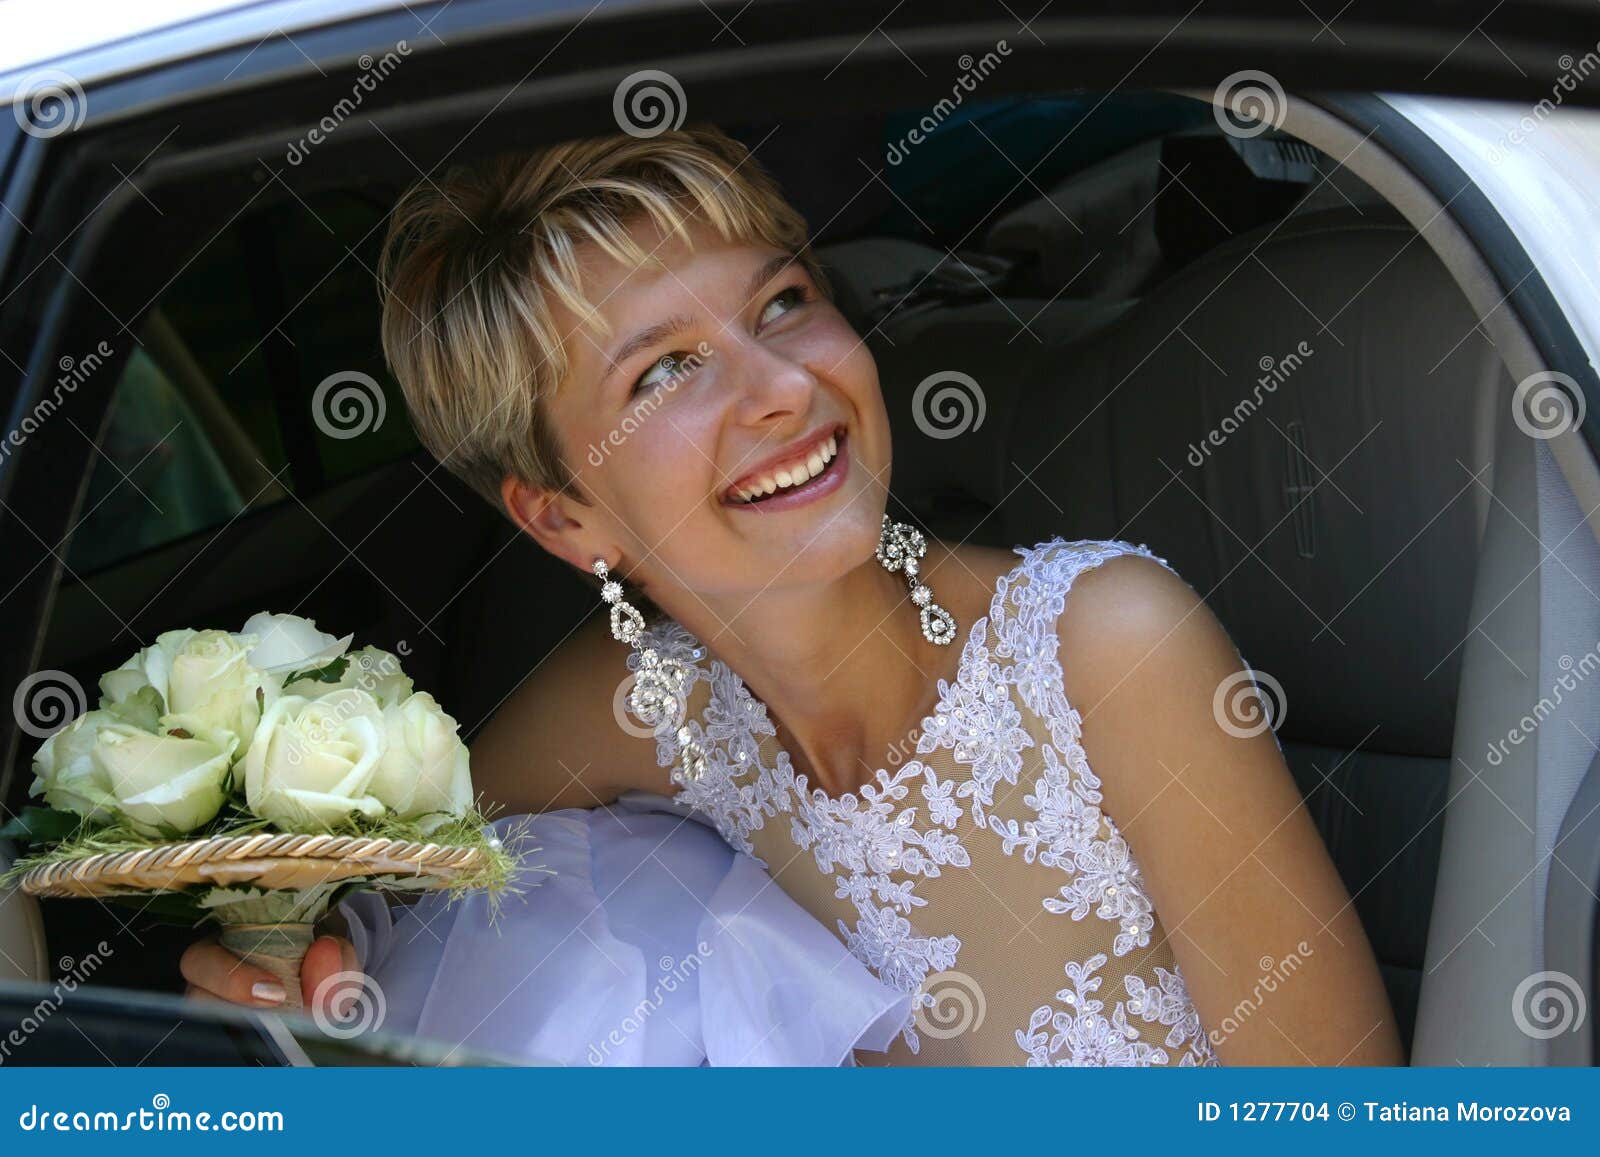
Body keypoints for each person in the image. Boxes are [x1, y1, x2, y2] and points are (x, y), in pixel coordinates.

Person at [183, 124, 1403, 1066]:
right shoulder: (637, 704)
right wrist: (265, 958)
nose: (780, 385)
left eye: (783, 304)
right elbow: (374, 890)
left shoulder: (1106, 646)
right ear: (562, 516)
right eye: (666, 371)